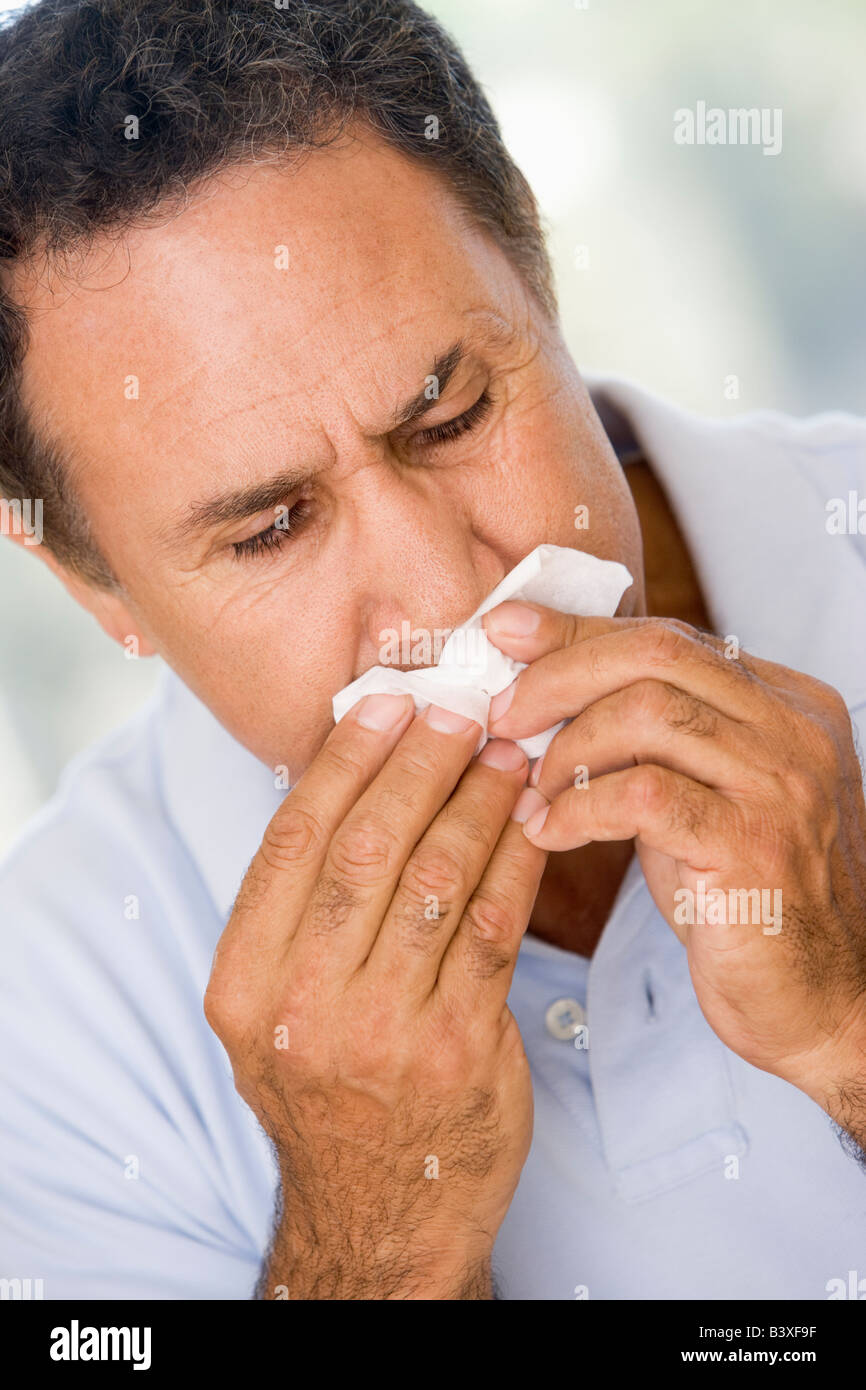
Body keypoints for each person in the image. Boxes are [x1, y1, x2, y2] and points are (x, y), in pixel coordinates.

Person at [1, 0, 864, 1301]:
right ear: (96, 586)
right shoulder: (52, 1027)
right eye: (272, 528)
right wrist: (368, 1243)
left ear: (536, 268)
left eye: (451, 416)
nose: (443, 593)